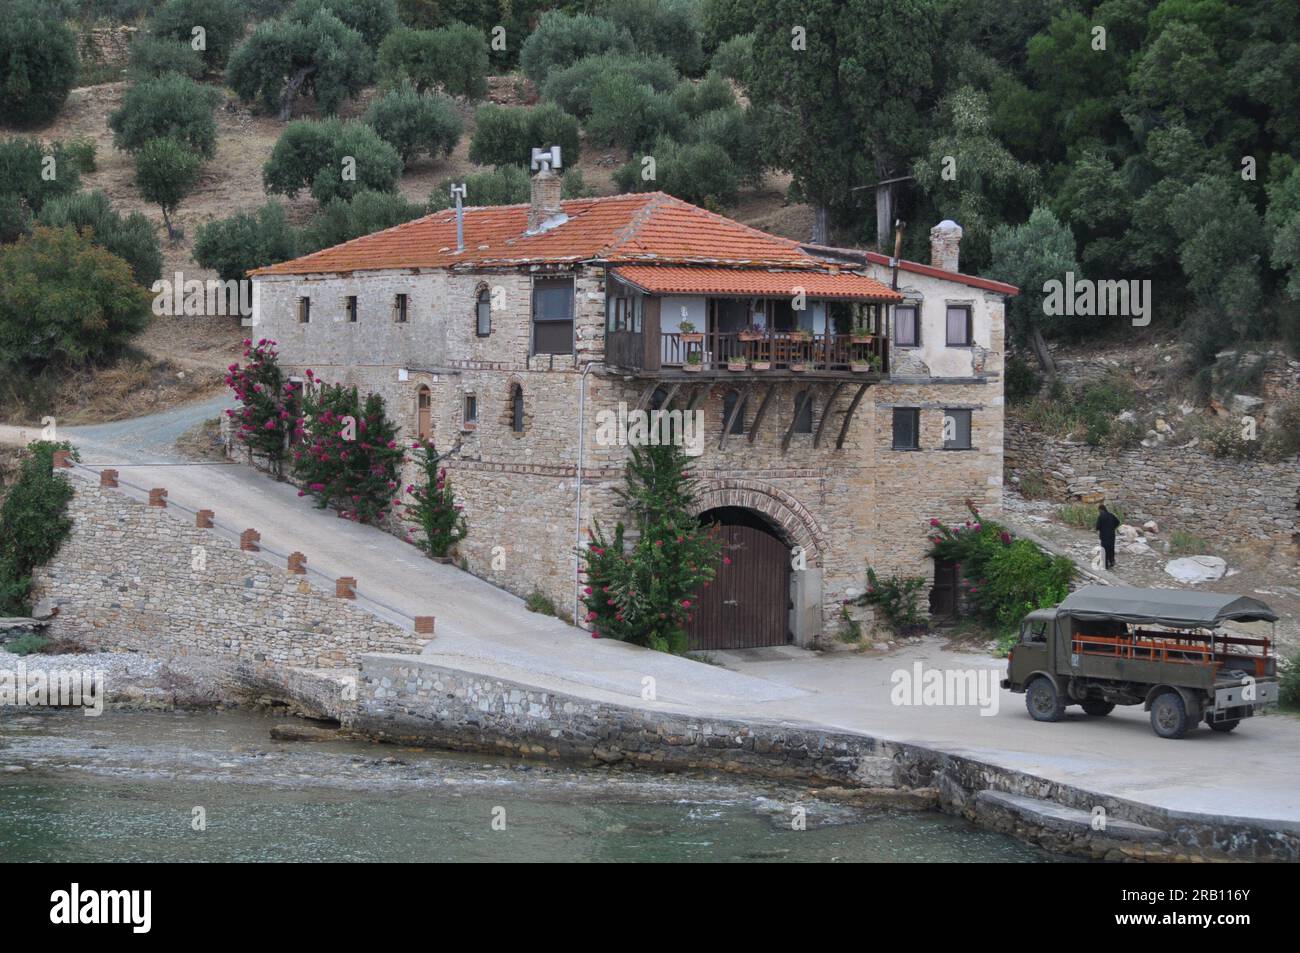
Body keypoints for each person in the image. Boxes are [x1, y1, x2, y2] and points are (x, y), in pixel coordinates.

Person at [1096, 503, 1120, 570]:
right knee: (1111, 548)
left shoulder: (1101, 517)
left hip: (1104, 536)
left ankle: (1105, 565)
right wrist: (1113, 527)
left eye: (1099, 510)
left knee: (1104, 550)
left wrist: (1101, 528)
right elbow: (1118, 522)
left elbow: (1097, 527)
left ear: (1101, 510)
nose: (1099, 512)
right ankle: (1112, 561)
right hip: (1112, 535)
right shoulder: (1111, 515)